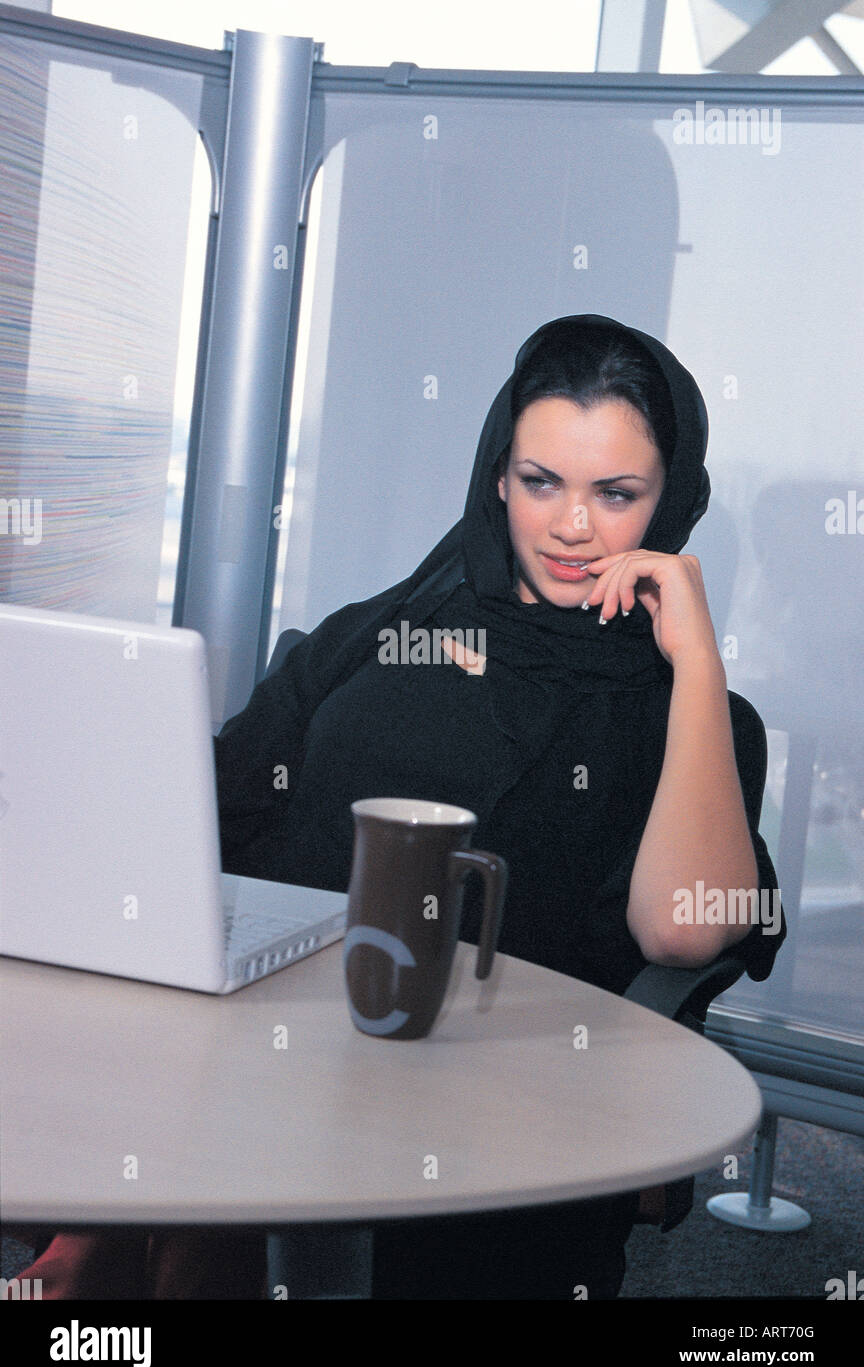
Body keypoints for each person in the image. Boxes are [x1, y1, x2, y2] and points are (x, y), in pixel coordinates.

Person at [3, 313, 785, 1300]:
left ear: (673, 504)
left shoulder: (695, 716)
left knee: (231, 1205)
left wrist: (699, 665)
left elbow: (681, 930)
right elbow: (214, 799)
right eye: (540, 481)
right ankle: (110, 1240)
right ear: (498, 475)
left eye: (616, 494)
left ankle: (115, 1253)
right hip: (279, 1030)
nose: (571, 525)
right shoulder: (386, 630)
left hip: (498, 1079)